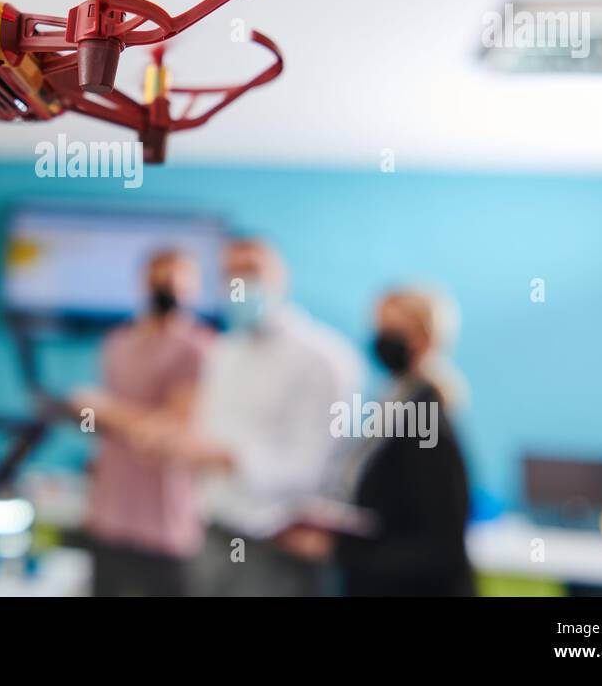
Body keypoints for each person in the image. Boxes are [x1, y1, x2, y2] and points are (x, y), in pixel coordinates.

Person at [133, 238, 363, 596]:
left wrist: (226, 456)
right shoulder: (224, 352)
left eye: (252, 271)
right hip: (213, 534)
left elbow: (320, 464)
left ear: (280, 277)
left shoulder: (323, 359)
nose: (240, 283)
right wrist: (173, 441)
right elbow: (207, 428)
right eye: (230, 273)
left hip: (279, 544)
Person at [278, 287, 476, 596]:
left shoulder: (426, 418)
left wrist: (339, 551)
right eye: (380, 327)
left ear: (426, 339)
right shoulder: (393, 402)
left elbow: (440, 546)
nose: (383, 339)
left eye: (396, 330)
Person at [78, 249, 213, 596]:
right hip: (109, 514)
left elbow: (172, 427)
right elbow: (101, 426)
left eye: (178, 280)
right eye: (160, 278)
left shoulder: (200, 348)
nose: (168, 288)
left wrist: (105, 409)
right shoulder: (118, 343)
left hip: (166, 523)